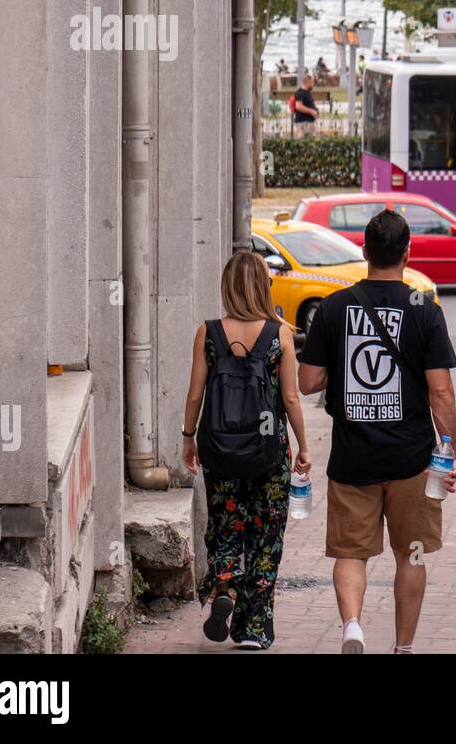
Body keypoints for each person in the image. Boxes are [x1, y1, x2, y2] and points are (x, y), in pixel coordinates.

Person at [298, 209, 456, 655]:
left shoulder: (333, 307)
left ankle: (352, 626)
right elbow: (441, 391)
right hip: (412, 460)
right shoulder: (424, 310)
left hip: (353, 459)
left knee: (351, 554)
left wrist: (342, 372)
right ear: (407, 253)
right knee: (411, 553)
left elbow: (307, 382)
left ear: (365, 252)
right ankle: (403, 647)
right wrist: (449, 451)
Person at [182, 251, 311, 649]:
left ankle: (224, 588)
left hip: (219, 449)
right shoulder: (279, 334)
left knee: (225, 523)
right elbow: (290, 397)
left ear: (228, 286)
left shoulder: (208, 332)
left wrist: (188, 437)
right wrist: (304, 447)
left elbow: (195, 394)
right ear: (262, 287)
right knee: (265, 533)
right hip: (269, 450)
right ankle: (253, 628)